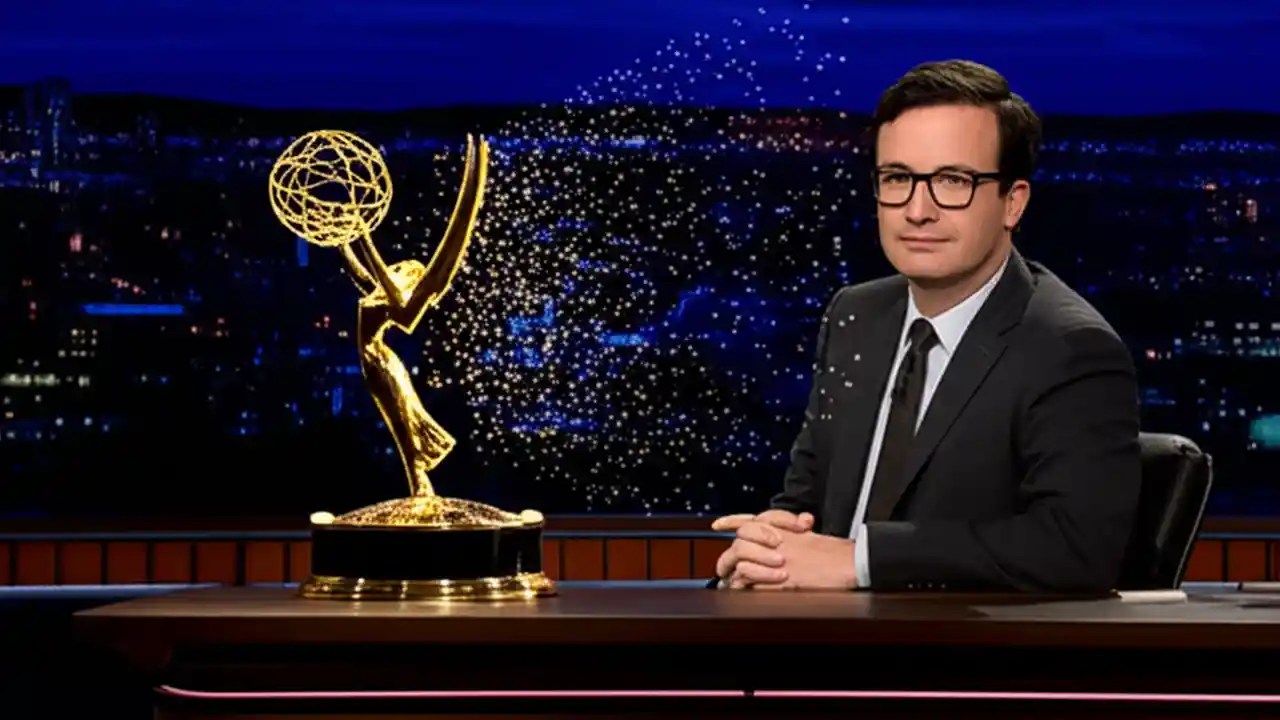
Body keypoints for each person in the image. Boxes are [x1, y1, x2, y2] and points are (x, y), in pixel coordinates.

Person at [712, 59, 1141, 593]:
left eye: (952, 181)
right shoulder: (855, 316)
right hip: (823, 631)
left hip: (966, 641)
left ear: (1012, 203)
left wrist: (861, 561)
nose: (918, 210)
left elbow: (1076, 548)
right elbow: (808, 500)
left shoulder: (1069, 347)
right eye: (898, 179)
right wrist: (774, 543)